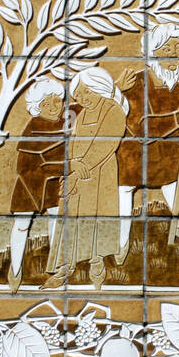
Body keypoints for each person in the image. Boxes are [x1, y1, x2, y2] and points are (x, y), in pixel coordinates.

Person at [115, 23, 179, 259]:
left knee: (172, 182)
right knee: (125, 192)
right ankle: (121, 241)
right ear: (154, 51)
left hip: (167, 152)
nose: (175, 55)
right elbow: (138, 126)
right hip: (135, 154)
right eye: (168, 49)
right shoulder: (137, 83)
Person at [42, 67, 128, 290]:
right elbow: (73, 143)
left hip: (100, 174)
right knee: (71, 218)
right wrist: (70, 169)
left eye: (87, 93)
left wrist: (84, 166)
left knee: (96, 217)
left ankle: (96, 265)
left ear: (99, 87)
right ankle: (65, 268)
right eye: (79, 96)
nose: (83, 99)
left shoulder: (113, 110)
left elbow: (107, 142)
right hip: (77, 174)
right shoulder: (80, 115)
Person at [7, 78, 66, 292]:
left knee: (56, 224)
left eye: (57, 101)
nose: (53, 108)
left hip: (54, 183)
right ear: (36, 107)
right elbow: (25, 166)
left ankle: (56, 269)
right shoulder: (32, 129)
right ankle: (15, 269)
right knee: (22, 225)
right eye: (46, 104)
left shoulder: (67, 120)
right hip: (29, 185)